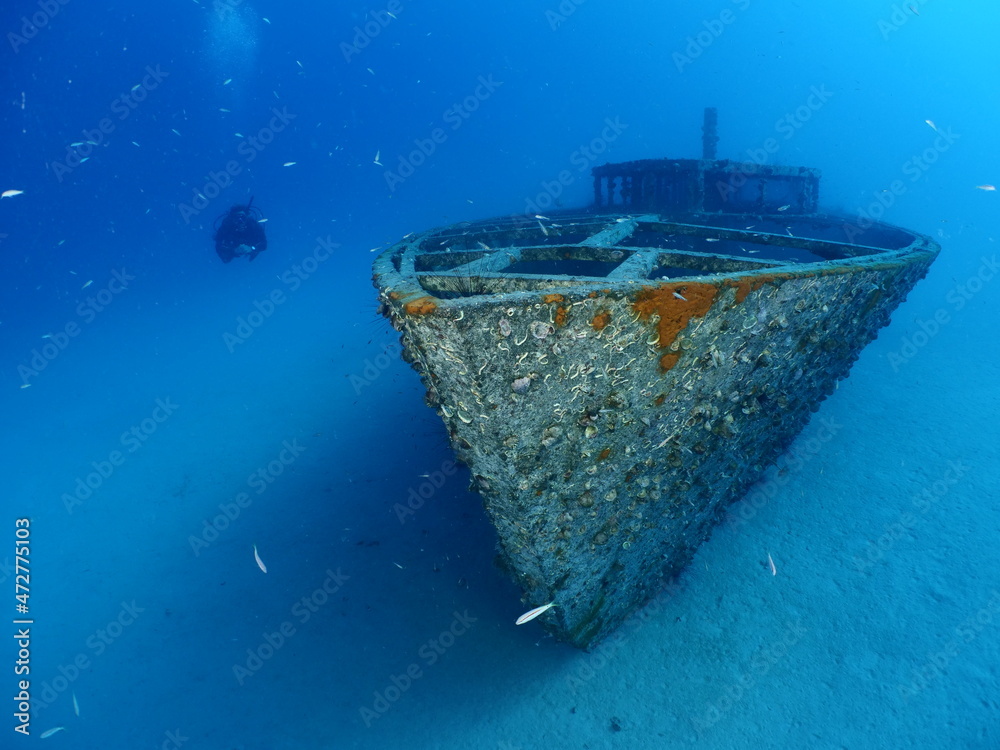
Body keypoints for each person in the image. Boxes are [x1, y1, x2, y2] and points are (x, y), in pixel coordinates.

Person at [213, 197, 267, 262]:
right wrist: (233, 251)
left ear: (247, 218)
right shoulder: (226, 227)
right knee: (226, 259)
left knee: (255, 252)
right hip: (232, 246)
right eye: (237, 218)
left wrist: (251, 248)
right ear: (232, 219)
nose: (240, 221)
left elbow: (264, 244)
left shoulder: (253, 225)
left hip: (251, 245)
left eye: (242, 218)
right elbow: (218, 246)